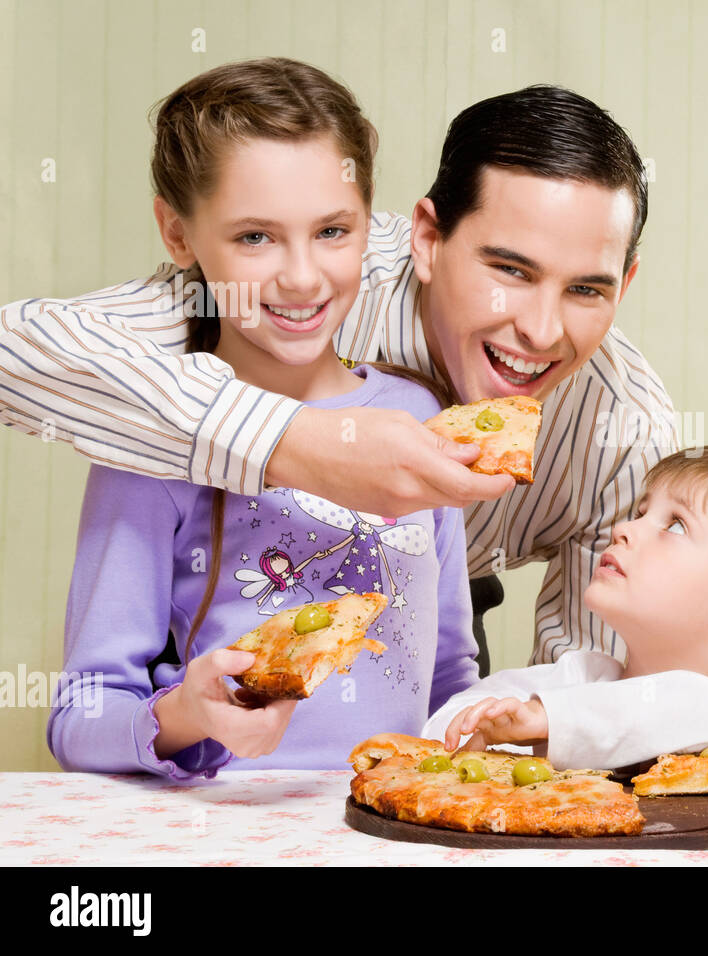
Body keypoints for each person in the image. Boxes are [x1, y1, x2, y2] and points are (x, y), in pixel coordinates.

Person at [0, 69, 674, 668]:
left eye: (587, 288)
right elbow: (14, 354)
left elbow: (597, 695)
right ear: (428, 239)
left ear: (627, 280)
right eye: (508, 270)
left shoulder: (625, 430)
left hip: (425, 628)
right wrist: (293, 441)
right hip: (218, 615)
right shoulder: (312, 285)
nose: (541, 329)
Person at [48, 59, 478, 777]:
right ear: (178, 233)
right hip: (224, 830)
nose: (302, 276)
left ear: (372, 224)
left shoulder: (420, 416)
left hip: (390, 830)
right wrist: (188, 713)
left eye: (333, 231)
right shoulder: (151, 443)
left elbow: (450, 672)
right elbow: (82, 713)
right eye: (255, 237)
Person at [422, 445, 708, 772]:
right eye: (640, 512)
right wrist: (485, 727)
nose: (623, 529)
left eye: (674, 525)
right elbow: (444, 727)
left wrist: (555, 721)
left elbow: (690, 706)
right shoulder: (574, 678)